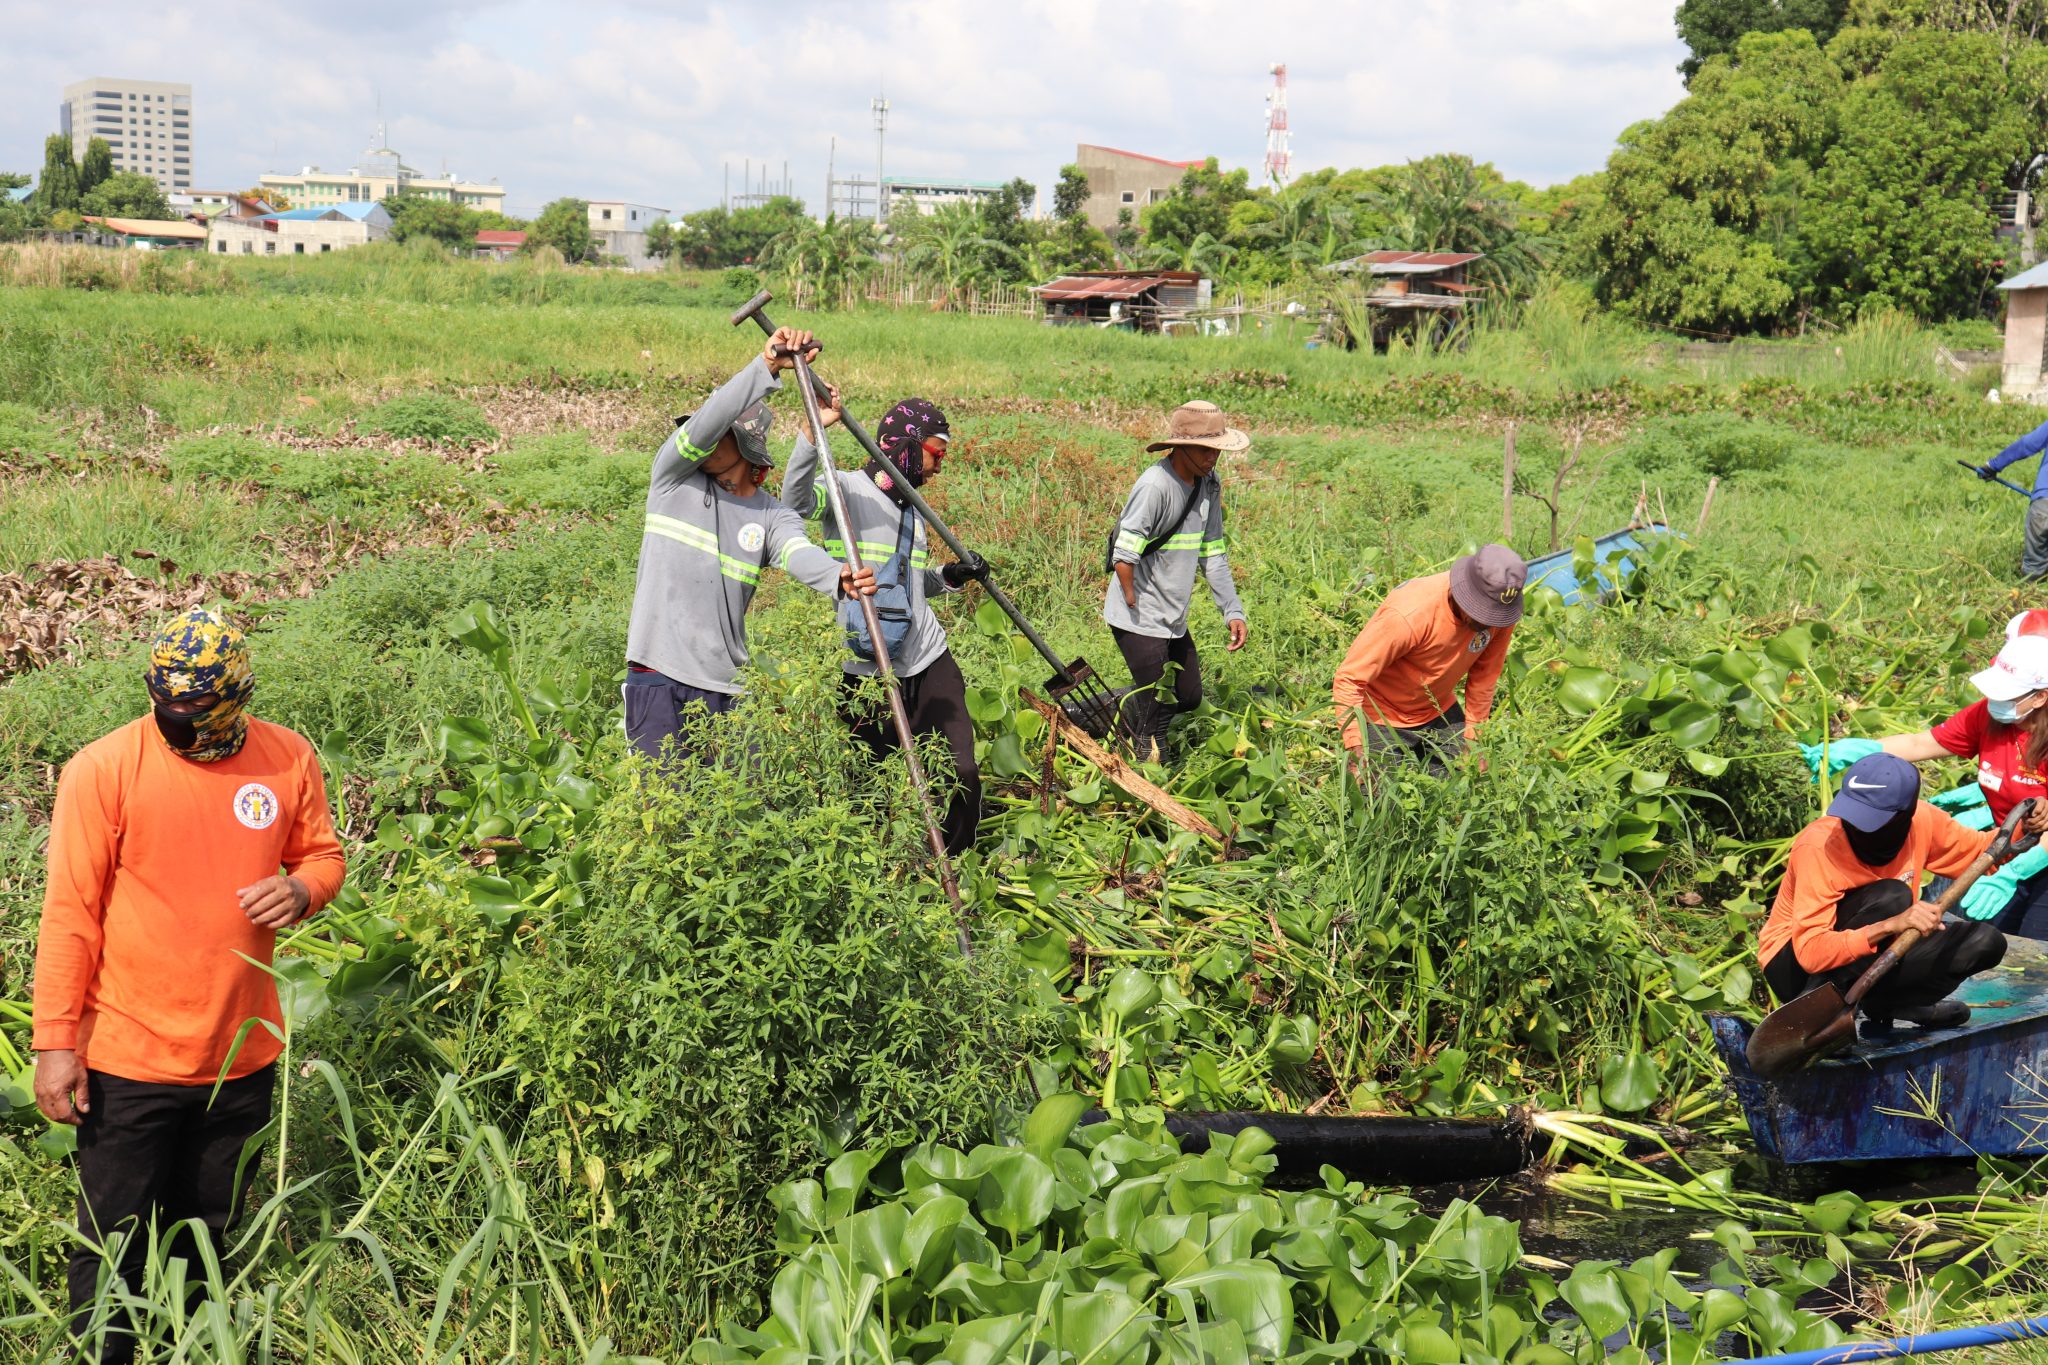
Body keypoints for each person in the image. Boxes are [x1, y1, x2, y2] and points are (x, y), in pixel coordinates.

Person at [33, 608, 346, 1363]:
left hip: (240, 1056)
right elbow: (69, 913)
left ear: (236, 702)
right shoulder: (104, 769)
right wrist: (54, 1044)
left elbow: (324, 855)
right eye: (163, 708)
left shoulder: (286, 758)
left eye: (193, 714)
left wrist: (303, 890)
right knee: (112, 1243)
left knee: (205, 1233)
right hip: (128, 1057)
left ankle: (190, 1350)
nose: (174, 725)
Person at [624, 327, 876, 764]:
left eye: (720, 434)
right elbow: (708, 418)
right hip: (657, 677)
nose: (703, 438)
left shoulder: (770, 515)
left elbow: (798, 552)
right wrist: (766, 367)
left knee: (735, 813)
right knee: (662, 808)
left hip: (728, 688)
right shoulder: (671, 481)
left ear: (743, 447)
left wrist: (838, 575)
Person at [782, 391, 986, 853]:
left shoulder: (914, 507)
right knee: (868, 785)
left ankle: (957, 867)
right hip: (865, 666)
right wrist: (812, 435)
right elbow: (793, 503)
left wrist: (949, 577)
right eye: (937, 454)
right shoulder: (846, 489)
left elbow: (908, 585)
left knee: (961, 774)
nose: (939, 467)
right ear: (908, 446)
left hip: (927, 658)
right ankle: (881, 871)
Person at [1801, 634, 2048, 935]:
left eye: (2008, 695)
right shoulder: (1989, 716)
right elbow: (1920, 743)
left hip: (2035, 859)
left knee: (2035, 957)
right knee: (1989, 944)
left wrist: (2013, 873)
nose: (1996, 701)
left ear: (2040, 697)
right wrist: (1861, 750)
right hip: (2003, 849)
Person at [1760, 753, 2013, 1031]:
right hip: (1796, 968)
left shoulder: (1923, 822)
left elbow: (1982, 852)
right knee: (1893, 897)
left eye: (1870, 821)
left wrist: (2028, 825)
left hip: (1875, 959)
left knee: (1985, 942)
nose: (1856, 827)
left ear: (1904, 817)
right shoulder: (1819, 845)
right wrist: (1891, 924)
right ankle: (1820, 1018)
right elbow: (1811, 952)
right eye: (1853, 815)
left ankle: (1888, 1003)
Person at [1102, 400, 1249, 760]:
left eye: (1216, 449)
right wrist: (1132, 599)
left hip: (1173, 614)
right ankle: (1151, 764)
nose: (1213, 457)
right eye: (1205, 449)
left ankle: (1112, 707)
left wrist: (1232, 610)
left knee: (1189, 695)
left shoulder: (1208, 483)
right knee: (1157, 710)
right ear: (1180, 447)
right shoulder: (1155, 486)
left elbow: (1212, 553)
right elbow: (1124, 554)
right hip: (1141, 615)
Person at [1332, 544, 1527, 774]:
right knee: (1380, 802)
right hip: (1381, 712)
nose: (1486, 623)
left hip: (1437, 706)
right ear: (1462, 590)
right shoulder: (1408, 615)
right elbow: (1349, 678)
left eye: (1492, 615)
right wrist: (1356, 744)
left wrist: (1475, 739)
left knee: (1467, 783)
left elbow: (1485, 677)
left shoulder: (1499, 615)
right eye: (1480, 612)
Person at [1972, 417, 2048, 578]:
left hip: (2043, 505)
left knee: (2033, 573)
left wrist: (1993, 465)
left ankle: (2031, 595)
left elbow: (2026, 444)